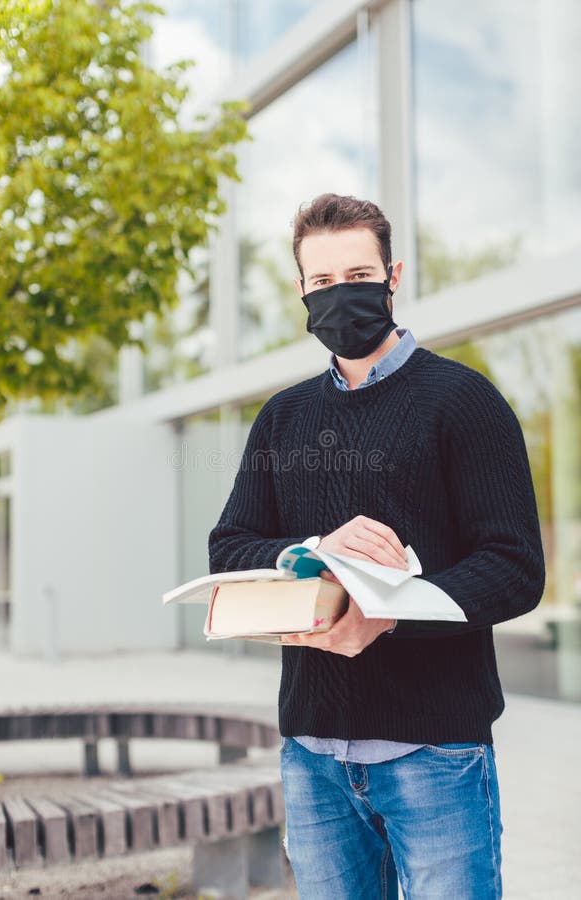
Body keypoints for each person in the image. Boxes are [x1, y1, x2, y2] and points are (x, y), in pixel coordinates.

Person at [208, 193, 545, 899]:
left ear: (393, 277)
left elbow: (514, 567)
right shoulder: (283, 416)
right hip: (313, 755)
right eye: (322, 283)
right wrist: (315, 546)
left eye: (357, 275)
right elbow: (228, 548)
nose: (340, 296)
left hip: (437, 753)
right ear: (301, 290)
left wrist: (394, 612)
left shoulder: (465, 402)